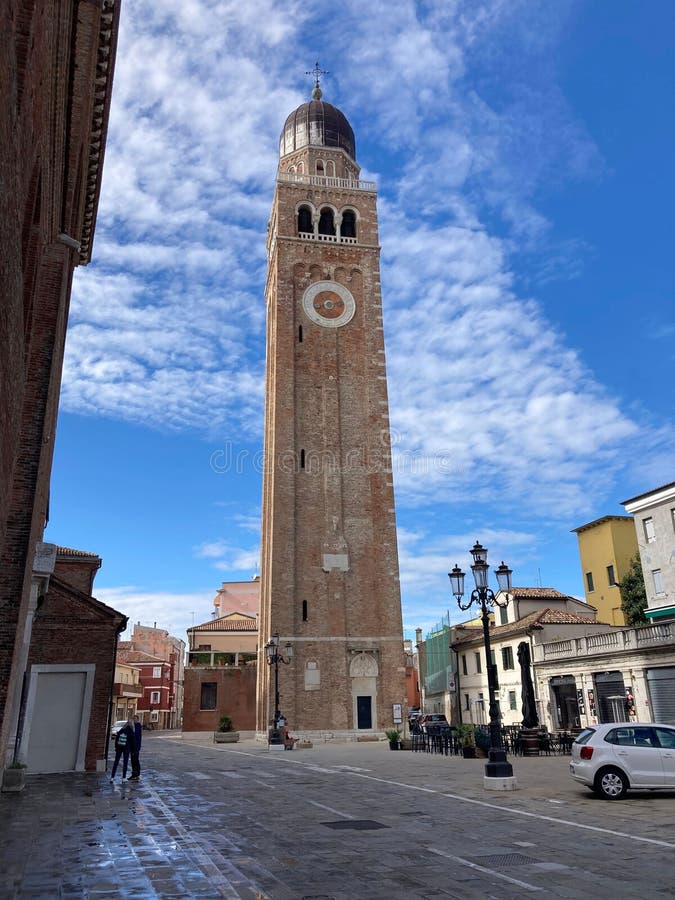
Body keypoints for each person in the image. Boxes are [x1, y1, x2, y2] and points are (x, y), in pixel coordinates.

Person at [110, 716, 136, 782]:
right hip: (126, 748)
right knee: (125, 763)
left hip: (119, 747)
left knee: (116, 762)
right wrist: (133, 750)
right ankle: (124, 778)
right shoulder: (131, 731)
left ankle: (112, 777)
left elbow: (116, 739)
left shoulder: (121, 730)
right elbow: (133, 742)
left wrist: (116, 747)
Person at [129, 714, 142, 781]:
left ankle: (136, 775)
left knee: (135, 761)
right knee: (133, 760)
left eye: (135, 719)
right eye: (133, 719)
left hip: (136, 747)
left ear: (137, 719)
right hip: (133, 747)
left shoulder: (138, 726)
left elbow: (135, 735)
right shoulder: (134, 726)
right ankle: (135, 774)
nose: (133, 720)